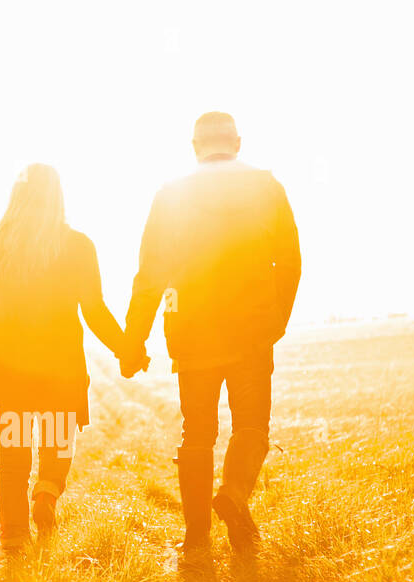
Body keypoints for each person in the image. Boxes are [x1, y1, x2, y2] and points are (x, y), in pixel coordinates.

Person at [120, 112, 301, 555]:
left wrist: (133, 340)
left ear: (194, 146)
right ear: (237, 142)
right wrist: (276, 320)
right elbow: (291, 261)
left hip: (192, 330)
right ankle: (234, 496)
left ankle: (196, 536)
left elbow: (150, 274)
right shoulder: (267, 187)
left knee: (197, 433)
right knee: (252, 425)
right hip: (253, 331)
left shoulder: (172, 194)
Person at [0, 163, 130, 553]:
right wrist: (127, 349)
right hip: (60, 367)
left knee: (13, 462)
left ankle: (14, 540)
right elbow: (94, 309)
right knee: (57, 443)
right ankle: (47, 494)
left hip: (6, 369)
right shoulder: (76, 245)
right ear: (58, 196)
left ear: (16, 196)